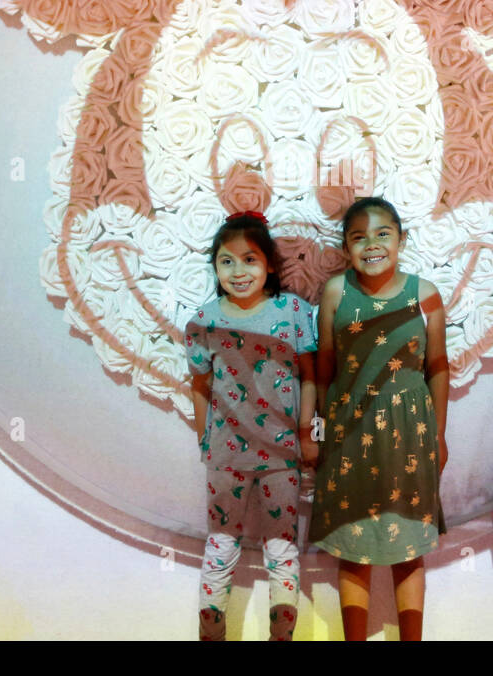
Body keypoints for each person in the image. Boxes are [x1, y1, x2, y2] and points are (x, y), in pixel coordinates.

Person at [310, 196, 449, 641]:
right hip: (349, 431)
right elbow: (324, 367)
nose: (372, 244)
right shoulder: (335, 292)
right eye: (358, 237)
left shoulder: (424, 294)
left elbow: (439, 367)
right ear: (346, 247)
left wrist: (440, 436)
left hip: (411, 433)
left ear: (401, 240)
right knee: (354, 544)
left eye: (383, 233)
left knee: (408, 545)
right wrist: (318, 430)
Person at [185, 211, 317, 641]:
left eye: (250, 259)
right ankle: (211, 628)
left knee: (281, 546)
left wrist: (306, 434)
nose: (238, 271)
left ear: (270, 266)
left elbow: (311, 376)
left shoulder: (294, 311)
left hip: (284, 454)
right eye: (227, 261)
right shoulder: (203, 321)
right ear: (215, 266)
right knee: (222, 542)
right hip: (225, 454)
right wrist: (205, 438)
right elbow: (200, 384)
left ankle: (282, 631)